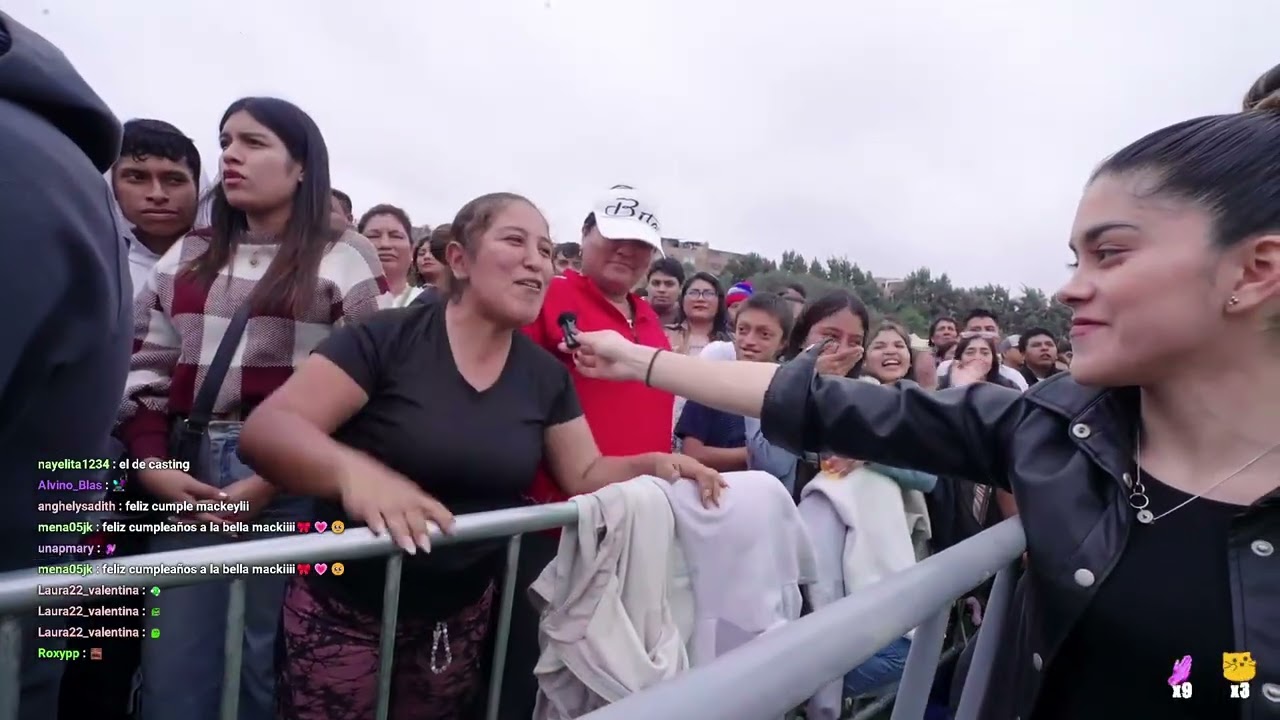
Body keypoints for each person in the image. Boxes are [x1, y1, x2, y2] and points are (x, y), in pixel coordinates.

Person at [563, 109, 1280, 720]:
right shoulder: (1053, 432)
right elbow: (821, 402)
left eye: (1111, 254)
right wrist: (636, 360)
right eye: (1073, 261)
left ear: (1254, 270)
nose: (1070, 292)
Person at [237, 191, 722, 720]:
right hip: (344, 608)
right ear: (460, 260)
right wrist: (357, 476)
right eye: (515, 240)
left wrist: (654, 465)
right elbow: (269, 430)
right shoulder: (385, 338)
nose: (535, 259)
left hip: (458, 621)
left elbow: (584, 473)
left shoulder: (544, 377)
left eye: (543, 248)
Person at [116, 96, 388, 720]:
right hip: (184, 475)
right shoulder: (186, 255)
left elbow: (373, 393)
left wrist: (273, 479)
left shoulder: (344, 259)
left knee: (268, 660)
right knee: (175, 662)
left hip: (290, 485)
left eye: (254, 142)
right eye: (226, 141)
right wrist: (152, 463)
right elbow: (145, 373)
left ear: (301, 167)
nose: (231, 156)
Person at [0, 12, 127, 720]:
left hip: (83, 508)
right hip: (122, 484)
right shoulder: (180, 265)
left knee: (118, 647)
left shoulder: (17, 164)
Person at [676, 292, 793, 472]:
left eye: (764, 334)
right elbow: (692, 453)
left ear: (783, 342)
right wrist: (757, 454)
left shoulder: (790, 396)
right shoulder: (712, 383)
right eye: (743, 330)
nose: (749, 341)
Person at [111, 118, 203, 298]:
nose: (158, 194)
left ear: (199, 187)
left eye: (175, 179)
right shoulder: (90, 269)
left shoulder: (237, 264)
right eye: (137, 177)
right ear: (112, 185)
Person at [937, 309, 1029, 390]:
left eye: (989, 330)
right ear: (963, 336)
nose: (983, 334)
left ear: (998, 335)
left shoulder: (1013, 378)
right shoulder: (945, 369)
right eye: (975, 330)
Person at [359, 203, 422, 307]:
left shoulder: (431, 306)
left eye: (396, 236)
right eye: (373, 236)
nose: (385, 244)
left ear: (412, 250)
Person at [645, 257, 685, 325]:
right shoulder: (632, 311)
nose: (661, 289)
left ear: (680, 288)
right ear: (647, 285)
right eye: (656, 283)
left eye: (669, 284)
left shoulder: (688, 317)